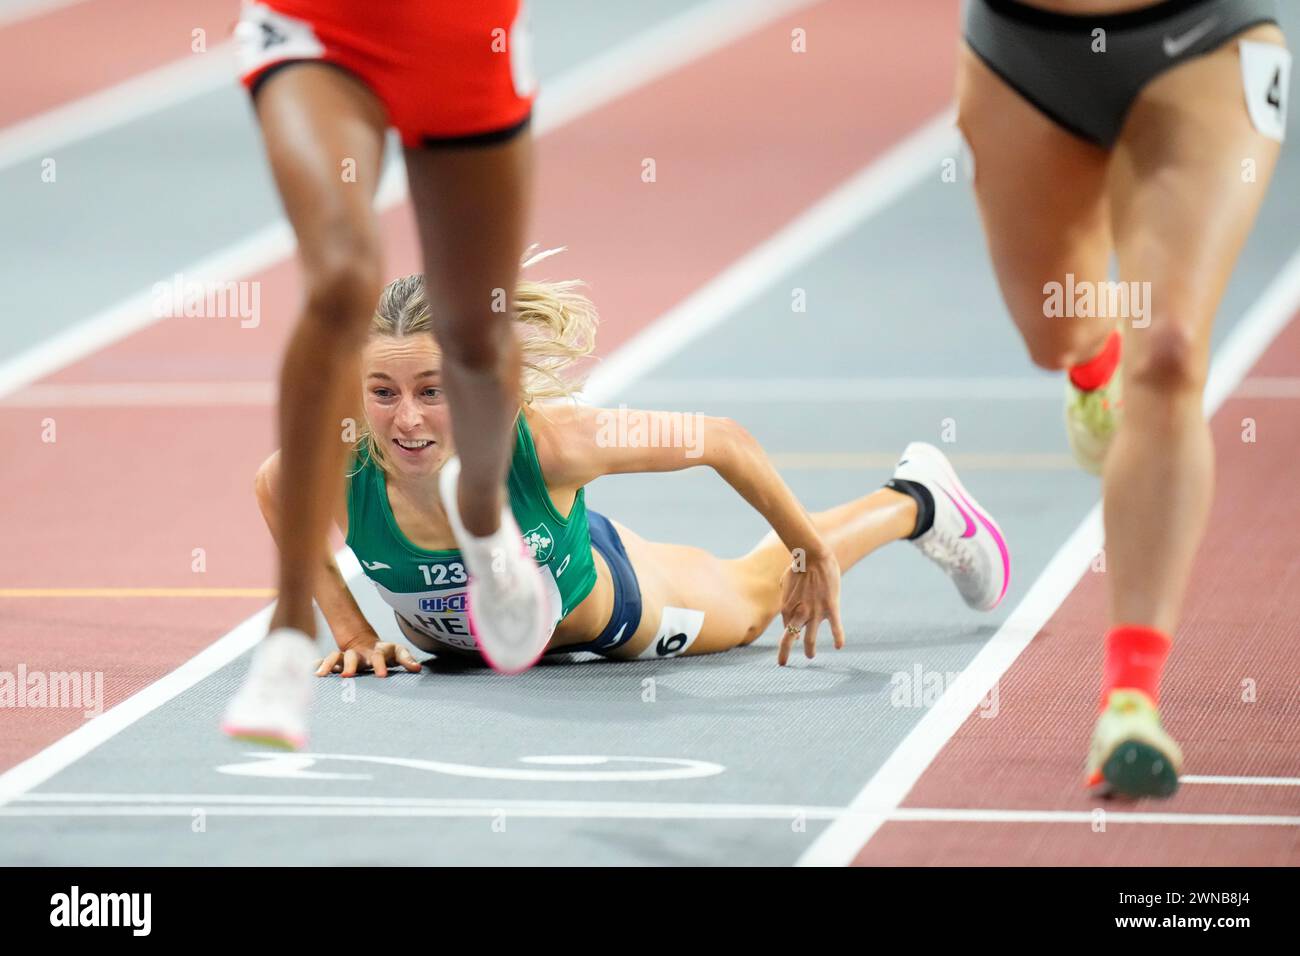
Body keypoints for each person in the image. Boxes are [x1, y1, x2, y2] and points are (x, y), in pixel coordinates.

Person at [251, 270, 1009, 708]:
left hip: (606, 608)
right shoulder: (333, 460)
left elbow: (722, 440)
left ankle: (917, 499)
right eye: (381, 392)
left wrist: (809, 549)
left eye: (432, 390)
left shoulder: (549, 444)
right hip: (460, 652)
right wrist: (351, 633)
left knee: (754, 601)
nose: (406, 419)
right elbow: (274, 492)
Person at [955, 0, 1289, 795]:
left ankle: (1129, 700)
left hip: (1208, 35)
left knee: (1171, 352)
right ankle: (1093, 365)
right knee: (1055, 332)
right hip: (1023, 51)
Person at [222, 0, 559, 749]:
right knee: (341, 282)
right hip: (320, 27)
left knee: (473, 334)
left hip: (467, 36)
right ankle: (284, 641)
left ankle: (481, 518)